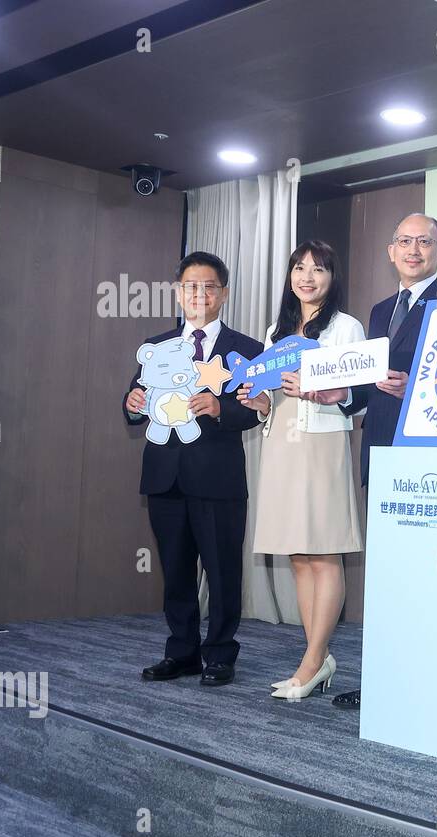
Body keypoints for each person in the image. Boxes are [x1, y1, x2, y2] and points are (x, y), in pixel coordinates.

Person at [328, 213, 437, 710]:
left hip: (429, 458)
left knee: (429, 573)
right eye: (404, 241)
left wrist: (421, 388)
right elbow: (367, 381)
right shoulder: (381, 308)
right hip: (381, 448)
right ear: (391, 251)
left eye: (425, 242)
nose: (414, 250)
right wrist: (340, 396)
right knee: (387, 573)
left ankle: (428, 679)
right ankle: (382, 678)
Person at [125, 252, 263, 687]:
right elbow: (138, 396)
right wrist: (131, 406)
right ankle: (182, 651)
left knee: (222, 571)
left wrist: (220, 407)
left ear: (223, 294)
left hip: (218, 477)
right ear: (177, 292)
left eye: (208, 287)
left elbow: (256, 411)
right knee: (176, 570)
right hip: (165, 474)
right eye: (190, 287)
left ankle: (220, 654)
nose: (199, 295)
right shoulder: (159, 344)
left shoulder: (247, 349)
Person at [237, 240, 366, 700]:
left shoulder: (346, 328)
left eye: (318, 269)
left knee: (324, 549)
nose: (307, 277)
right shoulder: (276, 329)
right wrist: (256, 401)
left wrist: (328, 391)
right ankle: (318, 656)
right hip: (282, 442)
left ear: (333, 278)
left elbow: (358, 390)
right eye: (299, 268)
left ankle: (313, 659)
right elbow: (267, 397)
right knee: (298, 550)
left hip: (323, 438)